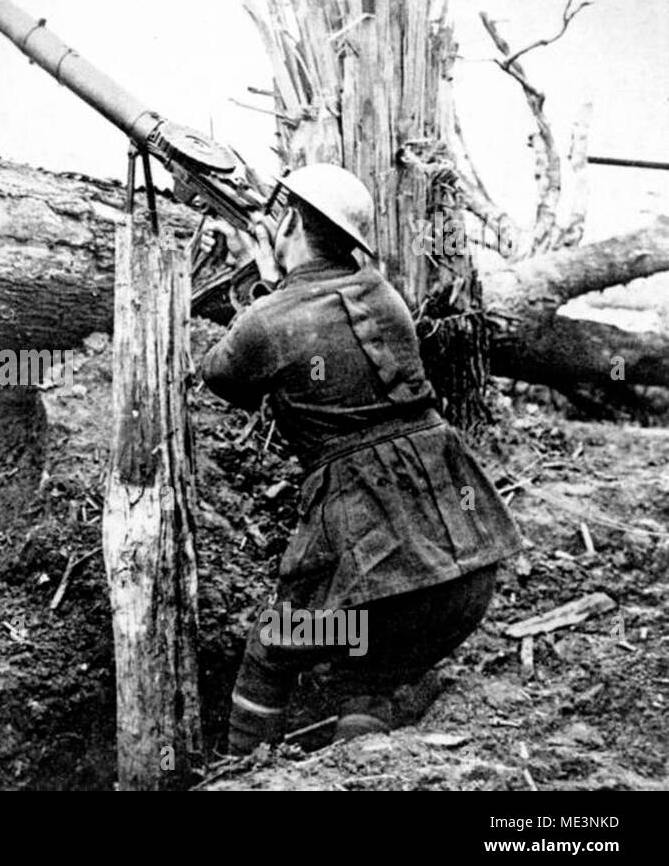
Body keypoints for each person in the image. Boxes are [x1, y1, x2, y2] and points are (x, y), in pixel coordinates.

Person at [196, 164, 524, 755]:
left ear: (289, 220)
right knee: (367, 665)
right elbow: (324, 313)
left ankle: (244, 773)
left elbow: (222, 376)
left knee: (275, 649)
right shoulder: (385, 295)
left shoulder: (271, 321)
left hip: (375, 563)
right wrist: (283, 282)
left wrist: (270, 286)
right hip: (464, 572)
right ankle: (358, 759)